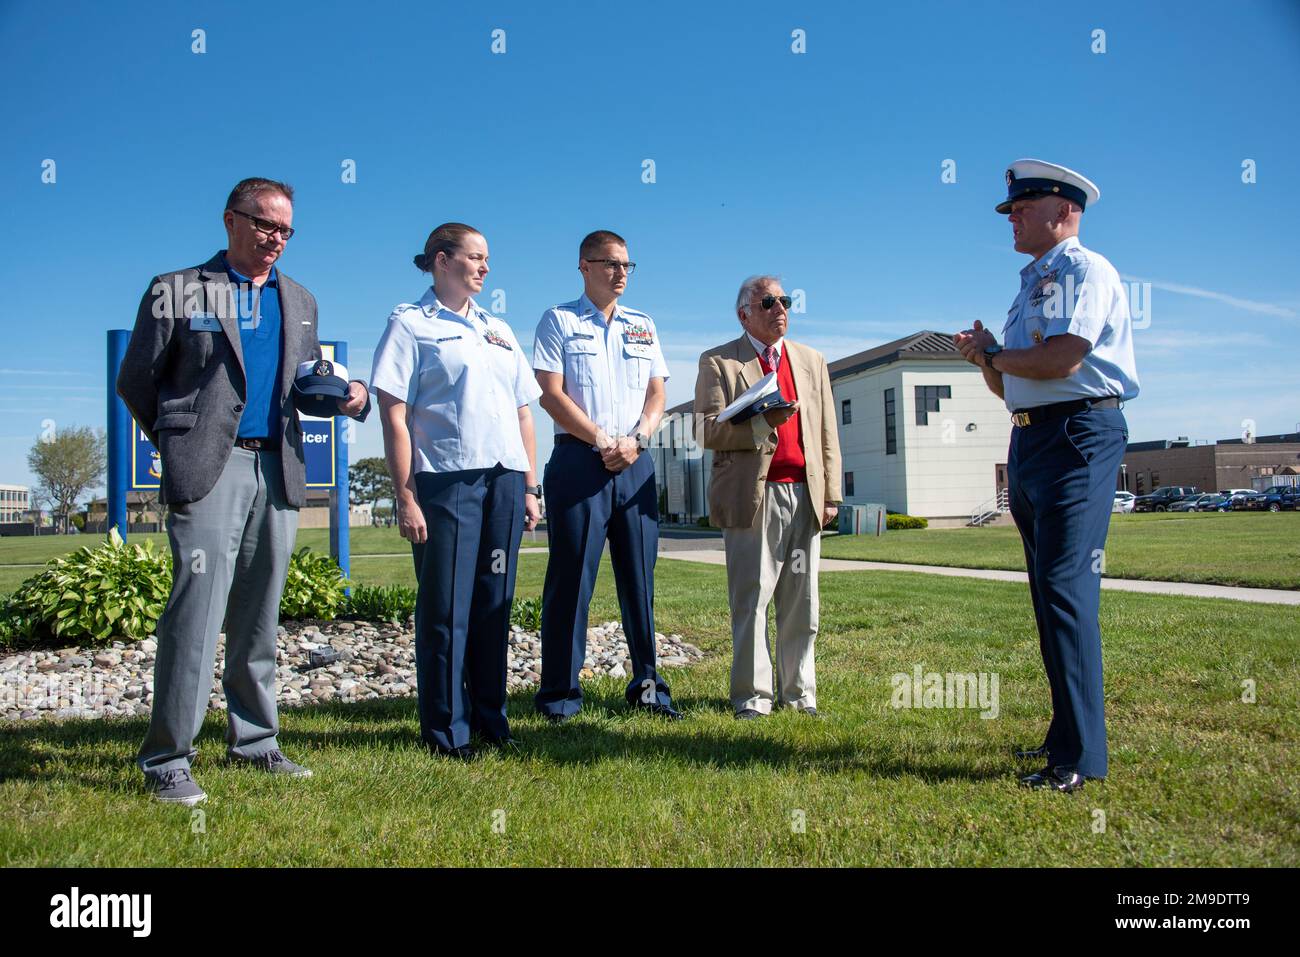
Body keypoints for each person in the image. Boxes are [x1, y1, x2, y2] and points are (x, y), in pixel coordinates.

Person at [118, 177, 371, 805]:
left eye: (285, 231)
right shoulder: (175, 290)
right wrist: (181, 439)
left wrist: (350, 397)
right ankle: (167, 758)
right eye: (265, 225)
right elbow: (136, 380)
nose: (275, 239)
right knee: (195, 617)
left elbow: (305, 386)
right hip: (211, 469)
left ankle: (255, 741)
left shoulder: (302, 299)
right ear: (231, 219)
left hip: (278, 471)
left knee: (259, 619)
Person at [955, 159, 1139, 792]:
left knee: (1065, 589)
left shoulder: (1085, 270)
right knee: (1047, 592)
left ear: (1064, 211)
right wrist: (986, 355)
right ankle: (1066, 732)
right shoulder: (1030, 282)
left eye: (1022, 209)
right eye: (1009, 211)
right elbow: (1010, 381)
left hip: (1079, 432)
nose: (1011, 219)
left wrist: (998, 353)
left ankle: (1081, 759)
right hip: (1032, 435)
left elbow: (1063, 358)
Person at [370, 223, 541, 759]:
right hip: (447, 480)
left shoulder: (499, 329)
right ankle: (447, 731)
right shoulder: (410, 324)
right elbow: (394, 414)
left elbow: (523, 410)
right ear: (442, 261)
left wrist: (531, 485)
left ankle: (493, 722)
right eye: (475, 257)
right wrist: (405, 494)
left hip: (505, 481)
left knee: (494, 603)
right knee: (446, 607)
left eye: (488, 258)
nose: (485, 267)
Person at [531, 230, 680, 721]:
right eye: (610, 263)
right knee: (572, 579)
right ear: (584, 266)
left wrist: (637, 438)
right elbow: (550, 395)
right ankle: (559, 695)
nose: (620, 273)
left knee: (640, 578)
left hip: (636, 461)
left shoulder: (643, 324)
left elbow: (657, 394)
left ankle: (648, 688)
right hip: (579, 461)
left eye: (627, 266)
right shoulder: (558, 321)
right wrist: (601, 440)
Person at [695, 276, 841, 720]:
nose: (780, 309)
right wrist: (763, 424)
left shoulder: (812, 361)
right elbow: (706, 429)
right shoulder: (719, 362)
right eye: (768, 302)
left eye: (786, 301)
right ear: (744, 314)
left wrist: (831, 493)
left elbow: (826, 431)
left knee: (803, 602)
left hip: (805, 494)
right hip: (752, 497)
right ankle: (753, 698)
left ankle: (799, 695)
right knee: (752, 598)